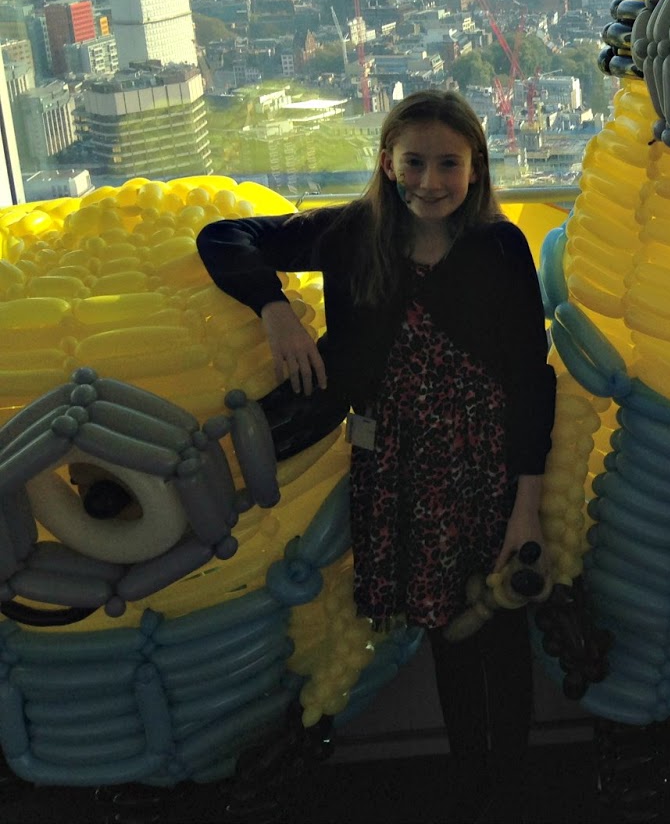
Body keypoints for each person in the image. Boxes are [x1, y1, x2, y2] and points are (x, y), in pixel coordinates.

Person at [197, 89, 555, 814]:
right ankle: (471, 785)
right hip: (400, 465)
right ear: (387, 163)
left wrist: (529, 510)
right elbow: (223, 236)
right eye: (413, 162)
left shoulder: (499, 246)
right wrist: (275, 311)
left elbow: (530, 379)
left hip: (487, 464)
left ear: (476, 167)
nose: (430, 181)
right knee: (446, 629)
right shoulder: (353, 235)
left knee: (502, 629)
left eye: (447, 164)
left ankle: (515, 788)